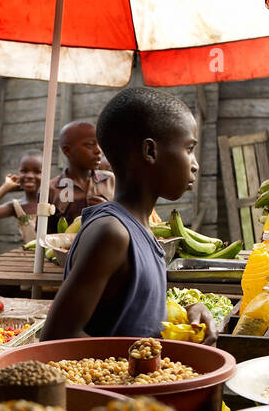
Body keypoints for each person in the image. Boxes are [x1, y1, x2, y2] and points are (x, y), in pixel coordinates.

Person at [41, 88, 215, 343]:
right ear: (150, 152)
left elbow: (131, 317)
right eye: (189, 149)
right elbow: (58, 338)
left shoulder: (141, 229)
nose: (195, 164)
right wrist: (149, 360)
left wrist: (188, 314)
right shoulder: (111, 233)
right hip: (108, 385)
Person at [50, 121, 115, 225]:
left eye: (99, 144)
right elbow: (44, 234)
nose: (98, 151)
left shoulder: (111, 181)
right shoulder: (52, 189)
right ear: (67, 151)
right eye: (90, 145)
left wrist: (109, 209)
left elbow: (130, 219)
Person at [0, 153, 44, 231]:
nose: (29, 176)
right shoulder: (17, 207)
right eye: (24, 171)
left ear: (46, 174)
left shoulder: (52, 202)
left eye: (37, 172)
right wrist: (5, 187)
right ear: (18, 173)